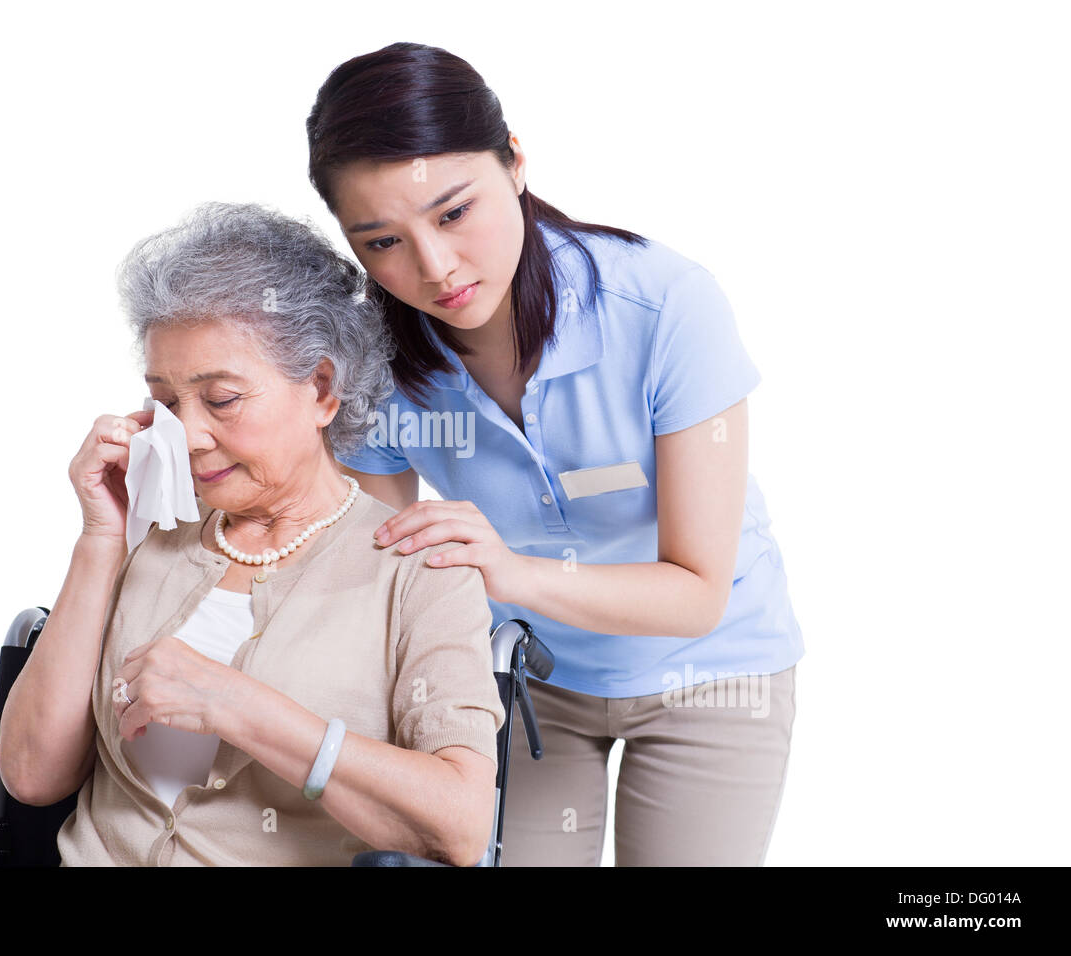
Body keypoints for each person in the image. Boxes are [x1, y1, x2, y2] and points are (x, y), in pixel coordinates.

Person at [306, 42, 804, 866]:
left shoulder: (668, 307)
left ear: (515, 165)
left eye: (454, 212)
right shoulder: (371, 356)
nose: (434, 267)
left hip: (710, 674)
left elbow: (696, 593)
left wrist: (508, 572)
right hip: (523, 680)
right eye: (382, 241)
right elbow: (380, 574)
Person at [0, 201, 506, 867]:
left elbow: (462, 827)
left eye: (222, 399)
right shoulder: (151, 540)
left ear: (323, 388)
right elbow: (33, 777)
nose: (189, 433)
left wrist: (238, 706)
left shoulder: (417, 567)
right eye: (167, 400)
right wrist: (100, 538)